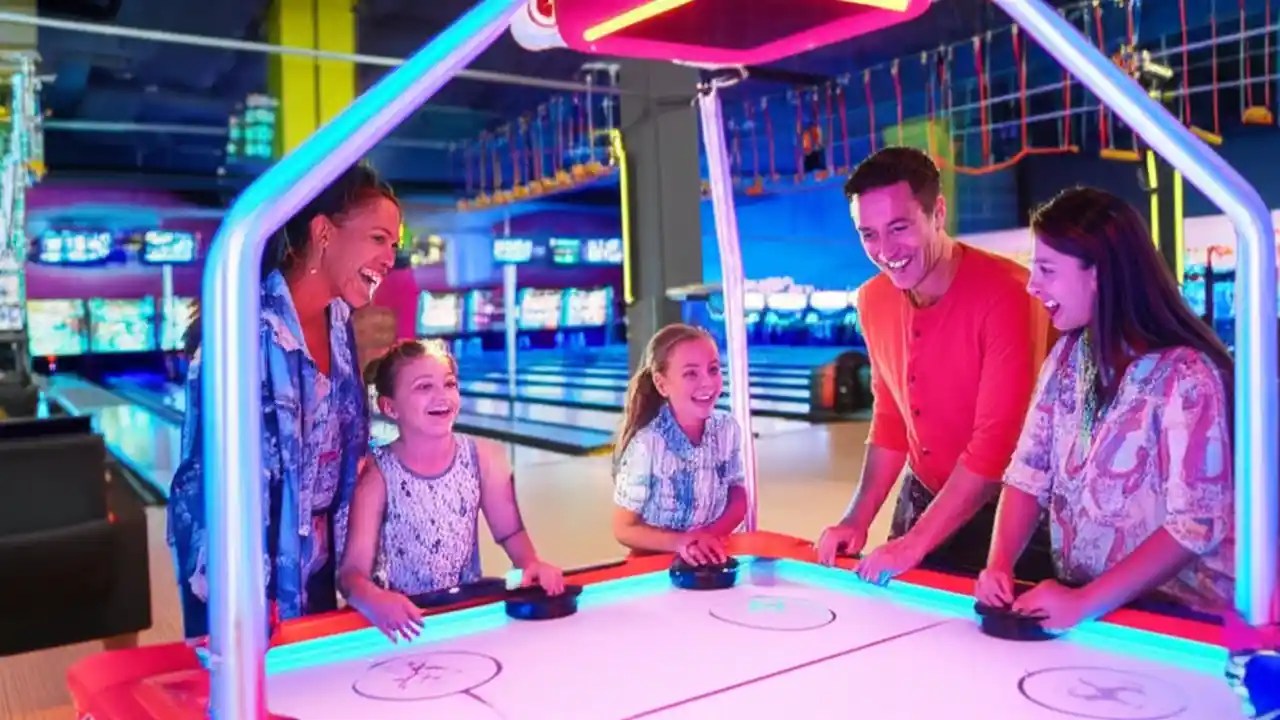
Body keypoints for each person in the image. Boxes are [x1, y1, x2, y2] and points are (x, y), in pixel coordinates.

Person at [975, 186, 1235, 631]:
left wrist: (1083, 604)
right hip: (1100, 612)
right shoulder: (1066, 359)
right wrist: (998, 564)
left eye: (1047, 270)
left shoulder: (1186, 376)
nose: (1033, 284)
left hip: (1181, 623)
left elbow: (1194, 524)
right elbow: (1028, 473)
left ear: (1099, 273)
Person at [168, 161, 401, 639]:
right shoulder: (243, 331)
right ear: (323, 233)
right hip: (244, 572)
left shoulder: (339, 322)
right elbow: (219, 487)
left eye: (394, 245)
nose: (390, 258)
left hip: (311, 560)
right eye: (379, 238)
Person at [815, 146, 1056, 584]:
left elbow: (996, 445)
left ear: (938, 212)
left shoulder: (1009, 294)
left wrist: (912, 544)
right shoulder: (873, 299)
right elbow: (891, 420)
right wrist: (856, 519)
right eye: (868, 234)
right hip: (923, 497)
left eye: (899, 227)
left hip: (1015, 514)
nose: (885, 250)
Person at [338, 339, 565, 641]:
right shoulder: (378, 475)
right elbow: (351, 575)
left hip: (463, 614)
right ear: (390, 407)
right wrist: (374, 600)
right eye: (423, 387)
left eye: (449, 384)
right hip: (398, 623)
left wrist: (531, 563)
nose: (441, 396)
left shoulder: (483, 458)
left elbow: (510, 533)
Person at [611, 324, 748, 566]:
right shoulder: (647, 444)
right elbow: (624, 528)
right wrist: (683, 542)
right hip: (655, 564)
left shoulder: (727, 429)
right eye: (691, 374)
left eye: (713, 369)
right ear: (662, 384)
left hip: (711, 554)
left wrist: (709, 537)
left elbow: (738, 495)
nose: (707, 383)